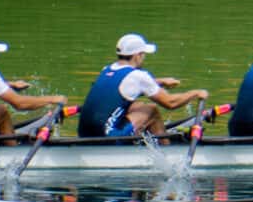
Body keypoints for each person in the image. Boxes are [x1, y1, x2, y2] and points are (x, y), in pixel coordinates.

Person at [77, 33, 208, 138]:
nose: (144, 57)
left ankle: (145, 138)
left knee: (137, 106)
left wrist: (160, 82)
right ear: (137, 56)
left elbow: (122, 88)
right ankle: (167, 152)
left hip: (83, 133)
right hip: (106, 137)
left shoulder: (107, 70)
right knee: (151, 110)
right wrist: (196, 93)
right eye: (143, 54)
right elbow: (171, 103)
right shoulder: (139, 76)